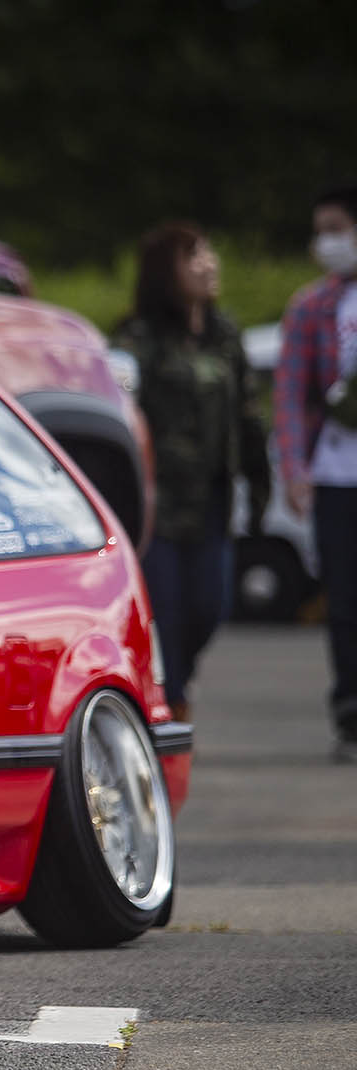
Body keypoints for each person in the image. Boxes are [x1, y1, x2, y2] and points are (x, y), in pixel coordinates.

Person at [112, 222, 269, 723]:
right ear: (166, 271)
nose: (209, 264)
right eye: (194, 256)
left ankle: (176, 681)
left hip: (212, 499)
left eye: (209, 253)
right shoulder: (137, 339)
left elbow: (246, 413)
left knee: (210, 606)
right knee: (167, 611)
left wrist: (259, 478)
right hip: (157, 506)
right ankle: (170, 700)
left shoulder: (225, 335)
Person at [274, 184, 357, 762]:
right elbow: (289, 394)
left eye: (335, 227)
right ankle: (351, 712)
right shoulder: (312, 306)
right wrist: (296, 470)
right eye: (320, 230)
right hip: (337, 476)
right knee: (345, 600)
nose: (325, 241)